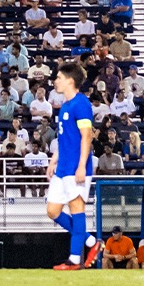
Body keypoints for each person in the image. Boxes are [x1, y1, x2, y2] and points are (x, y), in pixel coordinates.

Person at [47, 61, 101, 270]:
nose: (55, 81)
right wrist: (54, 160)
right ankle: (90, 241)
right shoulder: (65, 107)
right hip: (63, 168)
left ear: (70, 81)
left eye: (59, 78)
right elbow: (64, 139)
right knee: (52, 210)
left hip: (76, 167)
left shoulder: (81, 104)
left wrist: (81, 166)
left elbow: (86, 136)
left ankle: (74, 260)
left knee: (76, 208)